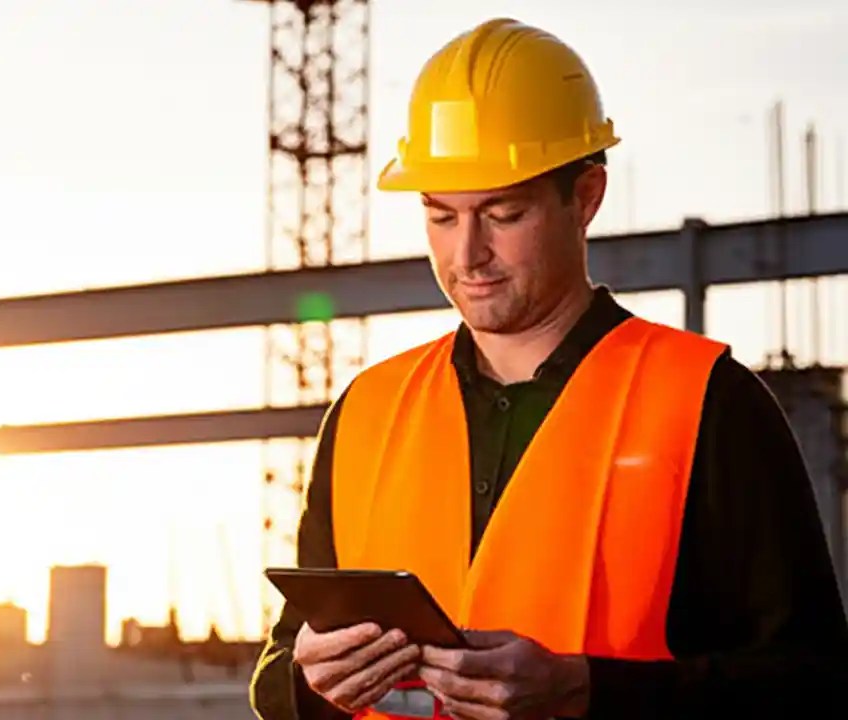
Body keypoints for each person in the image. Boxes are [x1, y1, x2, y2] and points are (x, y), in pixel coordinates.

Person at [249, 17, 848, 720]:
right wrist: (307, 682)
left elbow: (812, 683)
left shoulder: (709, 403)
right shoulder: (365, 412)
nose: (467, 254)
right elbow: (278, 674)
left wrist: (589, 694)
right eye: (441, 216)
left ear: (585, 198)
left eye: (502, 214)